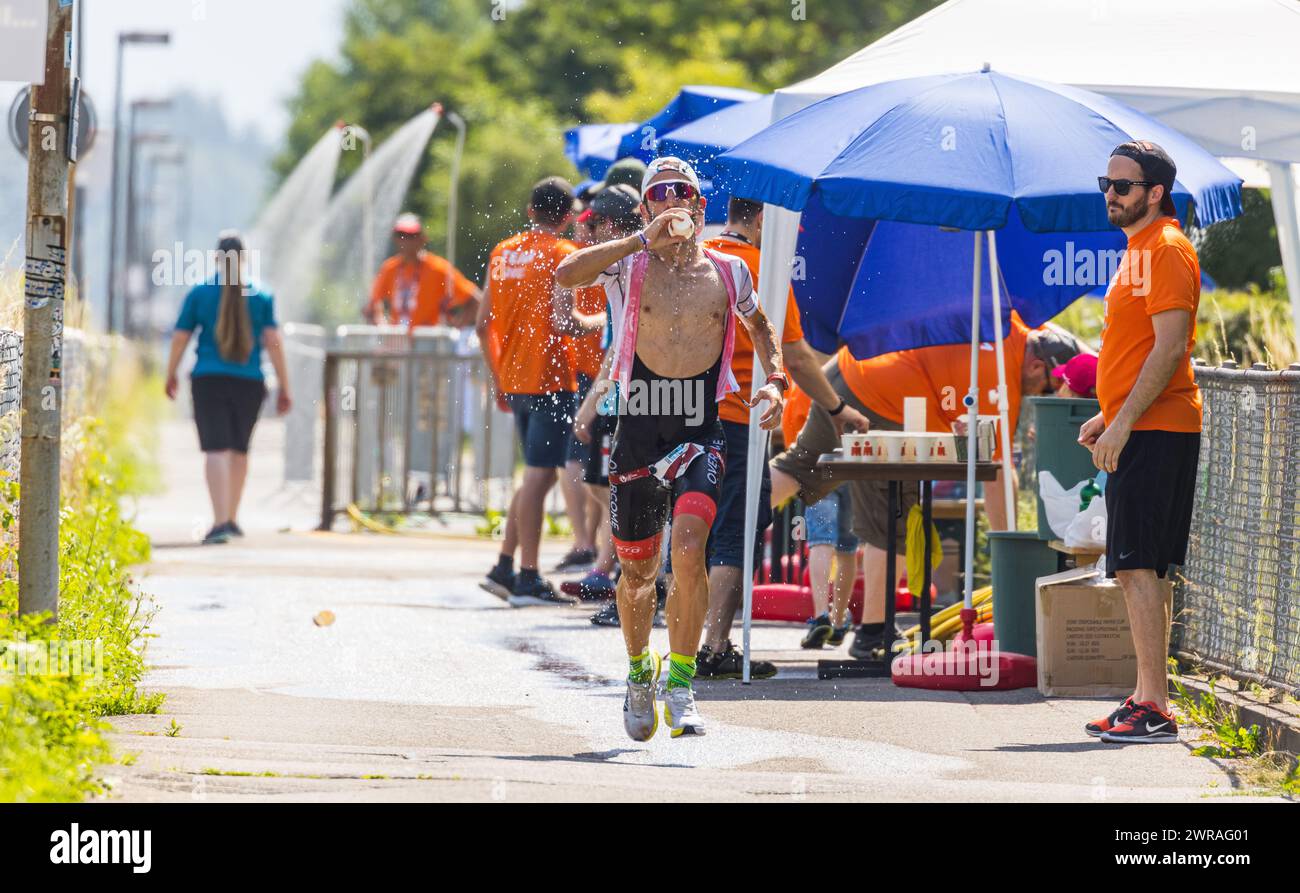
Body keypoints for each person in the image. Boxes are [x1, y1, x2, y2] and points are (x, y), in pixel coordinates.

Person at [555, 157, 786, 740]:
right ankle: (638, 673)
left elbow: (761, 327)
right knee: (636, 574)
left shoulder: (730, 272)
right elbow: (567, 276)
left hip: (698, 428)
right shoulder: (627, 265)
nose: (673, 201)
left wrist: (777, 380)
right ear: (647, 207)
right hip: (637, 427)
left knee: (689, 549)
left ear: (700, 207)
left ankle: (681, 684)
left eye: (683, 193)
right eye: (661, 194)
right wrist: (638, 239)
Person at [771, 316, 1084, 659]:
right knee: (871, 508)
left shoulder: (1003, 320)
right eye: (1047, 387)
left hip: (862, 382)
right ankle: (871, 633)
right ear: (1038, 366)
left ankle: (875, 630)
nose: (1040, 393)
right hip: (872, 393)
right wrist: (1009, 556)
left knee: (883, 514)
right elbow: (996, 472)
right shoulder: (999, 376)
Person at [692, 197, 871, 679]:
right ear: (765, 219)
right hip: (736, 420)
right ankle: (713, 648)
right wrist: (836, 408)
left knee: (690, 528)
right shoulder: (762, 272)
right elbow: (794, 355)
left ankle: (682, 643)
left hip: (682, 418)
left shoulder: (694, 258)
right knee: (735, 532)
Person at [1080, 141, 1202, 744]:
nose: (1111, 194)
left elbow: (1171, 347)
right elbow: (1137, 351)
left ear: (1154, 192)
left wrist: (1124, 420)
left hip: (1157, 428)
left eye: (1122, 186)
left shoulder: (1168, 249)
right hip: (1138, 424)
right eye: (1106, 183)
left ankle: (1154, 705)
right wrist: (1109, 416)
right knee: (1137, 566)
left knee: (1138, 565)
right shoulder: (1139, 250)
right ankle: (1145, 696)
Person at [476, 177, 582, 607]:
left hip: (515, 380)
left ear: (529, 210)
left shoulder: (503, 252)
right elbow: (567, 321)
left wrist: (499, 376)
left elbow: (482, 324)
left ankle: (505, 565)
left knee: (532, 475)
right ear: (569, 216)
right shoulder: (565, 255)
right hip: (552, 378)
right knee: (539, 477)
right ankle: (529, 575)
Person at [164, 232, 291, 544]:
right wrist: (285, 386)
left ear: (217, 258)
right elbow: (273, 343)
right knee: (239, 450)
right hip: (250, 381)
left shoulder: (200, 292)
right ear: (244, 257)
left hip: (208, 378)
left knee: (216, 449)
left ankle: (219, 521)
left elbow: (181, 337)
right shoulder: (261, 295)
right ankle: (233, 518)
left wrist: (171, 373)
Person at [556, 184, 647, 603]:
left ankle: (611, 573)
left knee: (618, 483)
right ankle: (613, 571)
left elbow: (619, 345)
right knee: (605, 482)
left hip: (627, 385)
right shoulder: (621, 264)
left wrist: (590, 406)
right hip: (625, 382)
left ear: (608, 224)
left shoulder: (628, 262)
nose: (588, 235)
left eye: (593, 227)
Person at [781, 383, 859, 649]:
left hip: (815, 465)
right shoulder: (853, 375)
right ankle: (838, 619)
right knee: (848, 546)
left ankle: (820, 615)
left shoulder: (805, 383)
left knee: (820, 541)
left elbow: (791, 425)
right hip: (853, 461)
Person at [364, 213, 481, 328]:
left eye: (411, 236)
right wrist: (383, 328)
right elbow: (371, 306)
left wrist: (457, 328)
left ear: (422, 239)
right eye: (400, 235)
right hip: (397, 342)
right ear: (394, 238)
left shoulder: (438, 268)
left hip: (429, 342)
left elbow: (475, 300)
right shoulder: (389, 268)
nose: (405, 240)